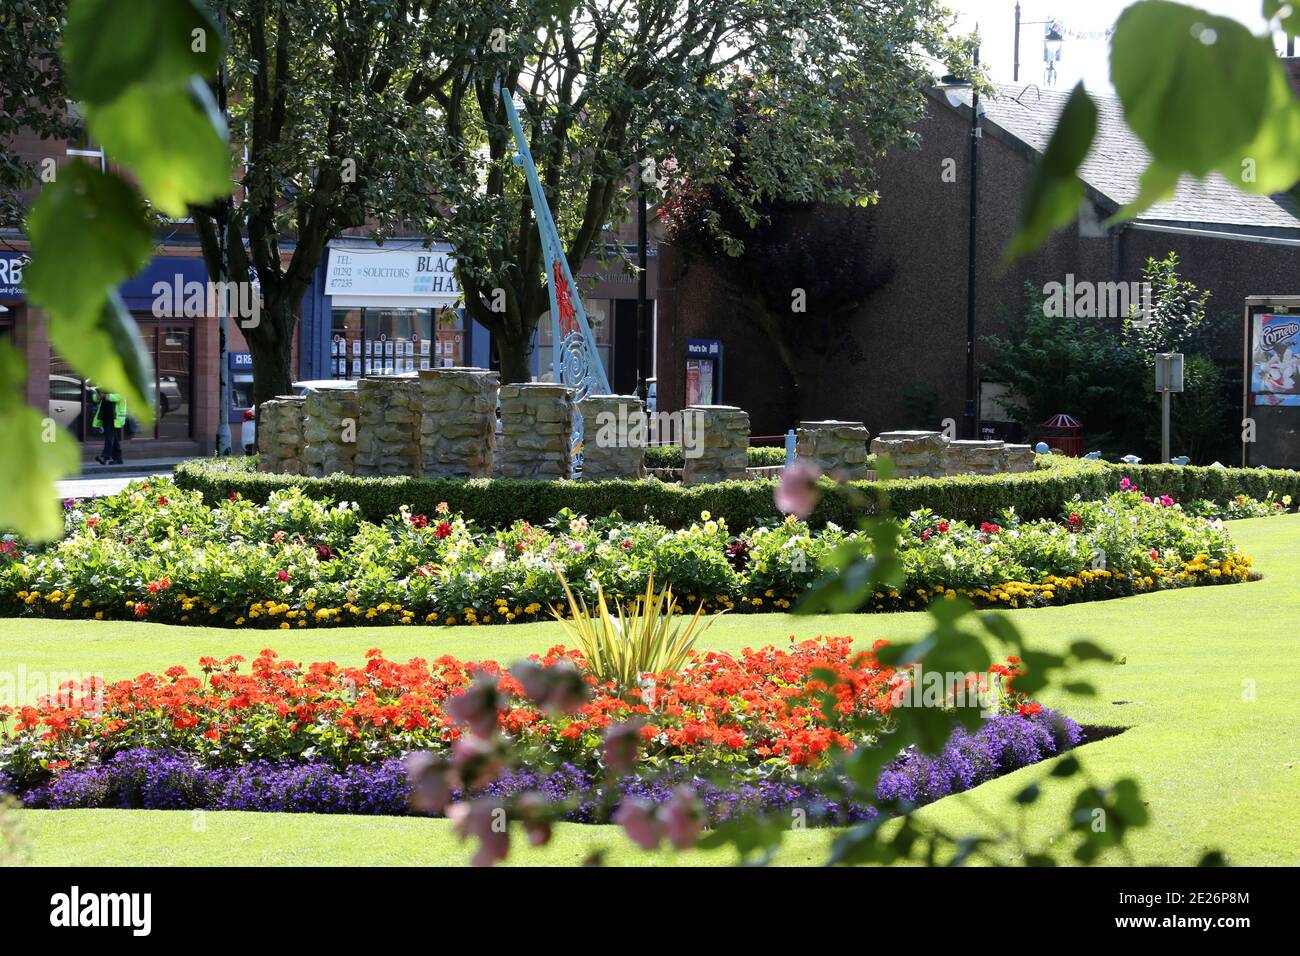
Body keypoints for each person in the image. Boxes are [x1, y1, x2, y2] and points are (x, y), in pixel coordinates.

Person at [91, 387, 127, 465]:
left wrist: (106, 396)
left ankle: (105, 457)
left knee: (109, 436)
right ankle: (118, 458)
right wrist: (97, 396)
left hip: (115, 416)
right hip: (105, 414)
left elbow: (120, 396)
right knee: (113, 436)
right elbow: (95, 397)